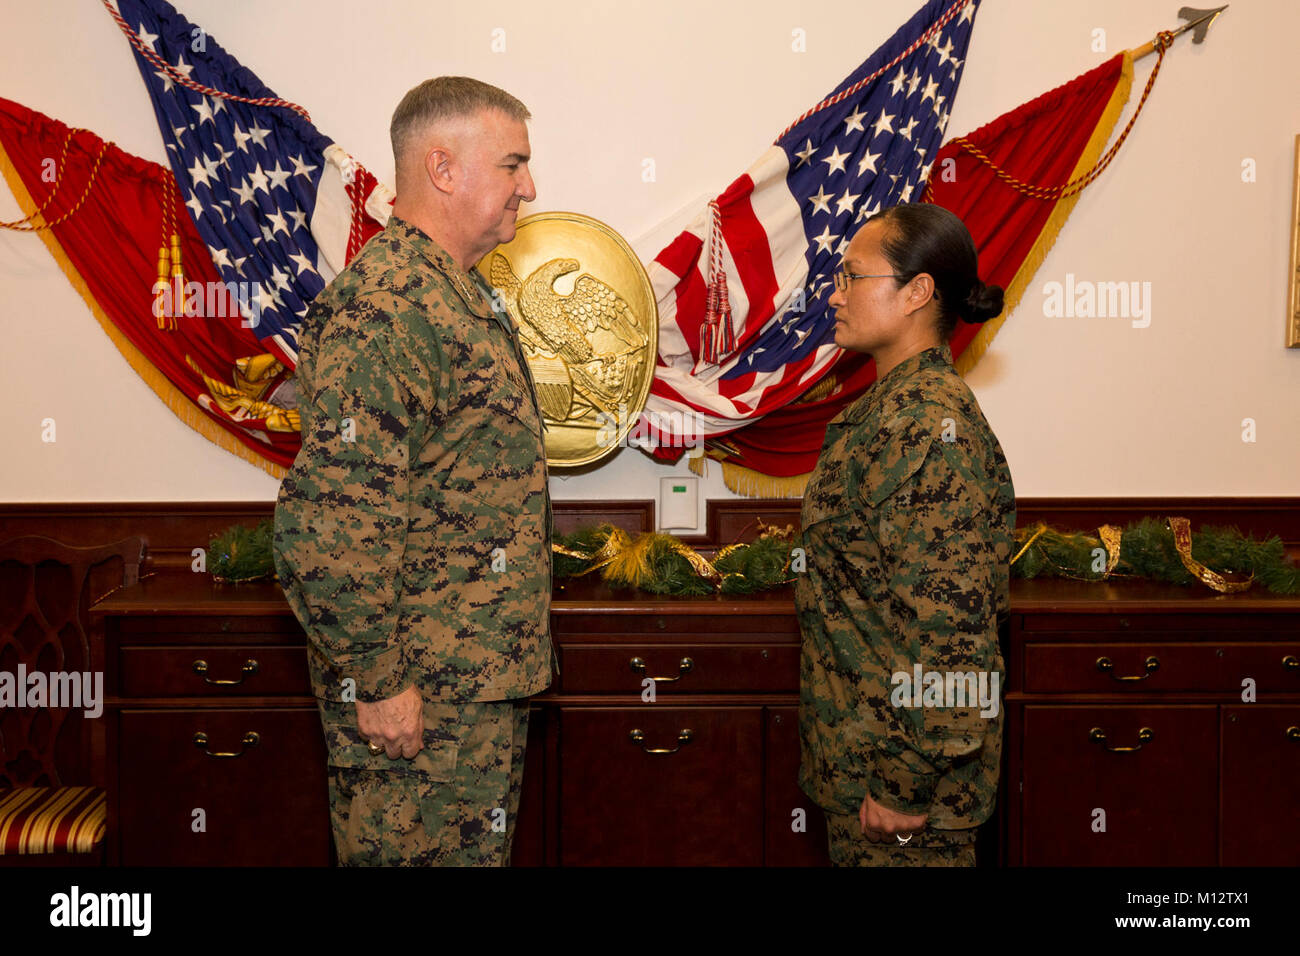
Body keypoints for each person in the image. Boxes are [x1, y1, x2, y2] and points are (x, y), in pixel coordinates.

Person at [272, 76, 556, 866]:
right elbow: (332, 522)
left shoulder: (447, 295)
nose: (529, 186)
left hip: (465, 693)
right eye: (513, 164)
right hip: (419, 703)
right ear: (442, 168)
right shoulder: (389, 306)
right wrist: (379, 678)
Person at [795, 202, 1016, 867]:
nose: (834, 294)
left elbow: (953, 637)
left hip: (905, 795)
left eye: (851, 276)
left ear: (918, 291)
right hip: (865, 765)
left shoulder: (927, 428)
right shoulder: (890, 411)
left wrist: (902, 784)